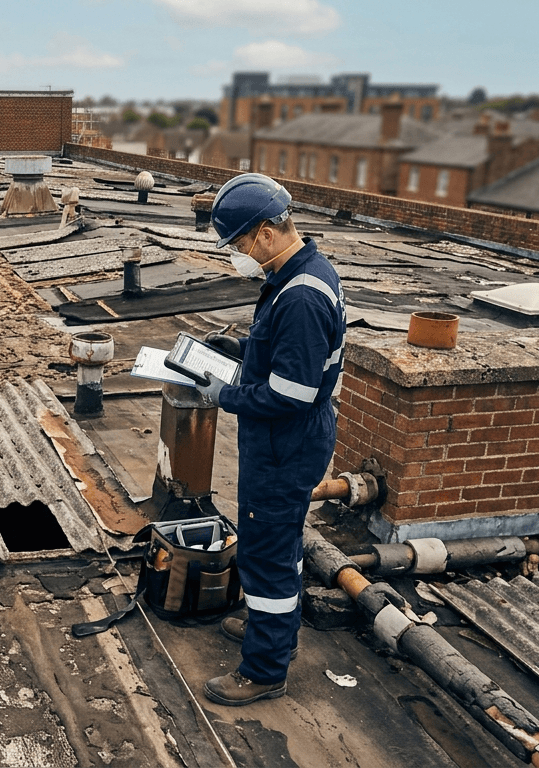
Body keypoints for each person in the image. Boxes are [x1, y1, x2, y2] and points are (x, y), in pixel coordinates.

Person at [197, 173, 346, 705]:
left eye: (239, 243)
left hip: (287, 442)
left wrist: (223, 394)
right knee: (277, 545)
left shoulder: (301, 295)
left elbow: (291, 393)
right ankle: (274, 629)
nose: (238, 254)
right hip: (286, 440)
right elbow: (283, 356)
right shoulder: (299, 272)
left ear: (264, 233)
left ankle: (264, 669)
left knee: (266, 554)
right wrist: (239, 350)